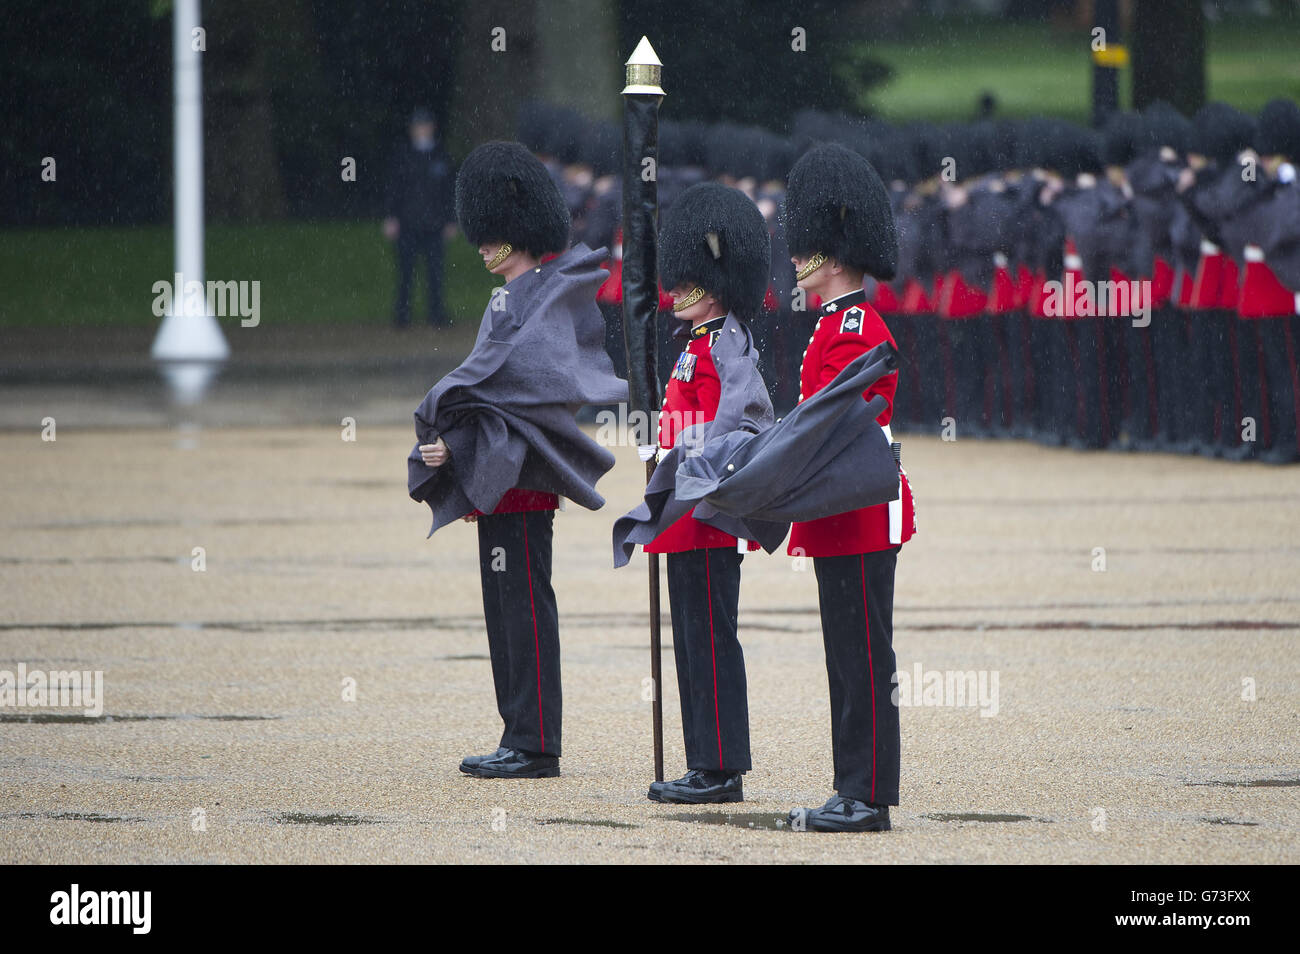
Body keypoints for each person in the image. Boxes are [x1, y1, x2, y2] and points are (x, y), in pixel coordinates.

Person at [407, 141, 627, 779]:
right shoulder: (510, 297)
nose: (481, 246)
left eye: (490, 235)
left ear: (518, 234)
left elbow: (520, 394)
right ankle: (518, 732)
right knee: (504, 607)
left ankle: (534, 742)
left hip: (521, 478)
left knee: (524, 606)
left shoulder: (533, 298)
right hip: (497, 476)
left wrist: (461, 442)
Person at [783, 142, 916, 832]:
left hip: (859, 509)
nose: (794, 262)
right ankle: (852, 787)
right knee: (847, 655)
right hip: (841, 510)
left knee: (863, 656)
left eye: (805, 250)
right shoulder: (836, 325)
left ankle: (866, 797)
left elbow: (833, 427)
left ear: (831, 255)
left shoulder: (857, 328)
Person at [645, 182, 773, 804]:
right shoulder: (695, 343)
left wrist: (676, 447)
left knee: (711, 635)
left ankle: (721, 766)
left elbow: (739, 423)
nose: (678, 289)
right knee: (691, 636)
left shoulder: (724, 343)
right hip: (681, 510)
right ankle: (704, 761)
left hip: (707, 511)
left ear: (714, 280)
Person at [384, 108, 457, 328]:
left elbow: (449, 191)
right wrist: (391, 217)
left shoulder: (442, 156)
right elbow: (393, 189)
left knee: (435, 273)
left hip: (435, 224)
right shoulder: (403, 156)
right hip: (408, 223)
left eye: (424, 126)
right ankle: (402, 314)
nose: (421, 130)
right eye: (418, 126)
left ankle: (437, 314)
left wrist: (451, 219)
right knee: (406, 272)